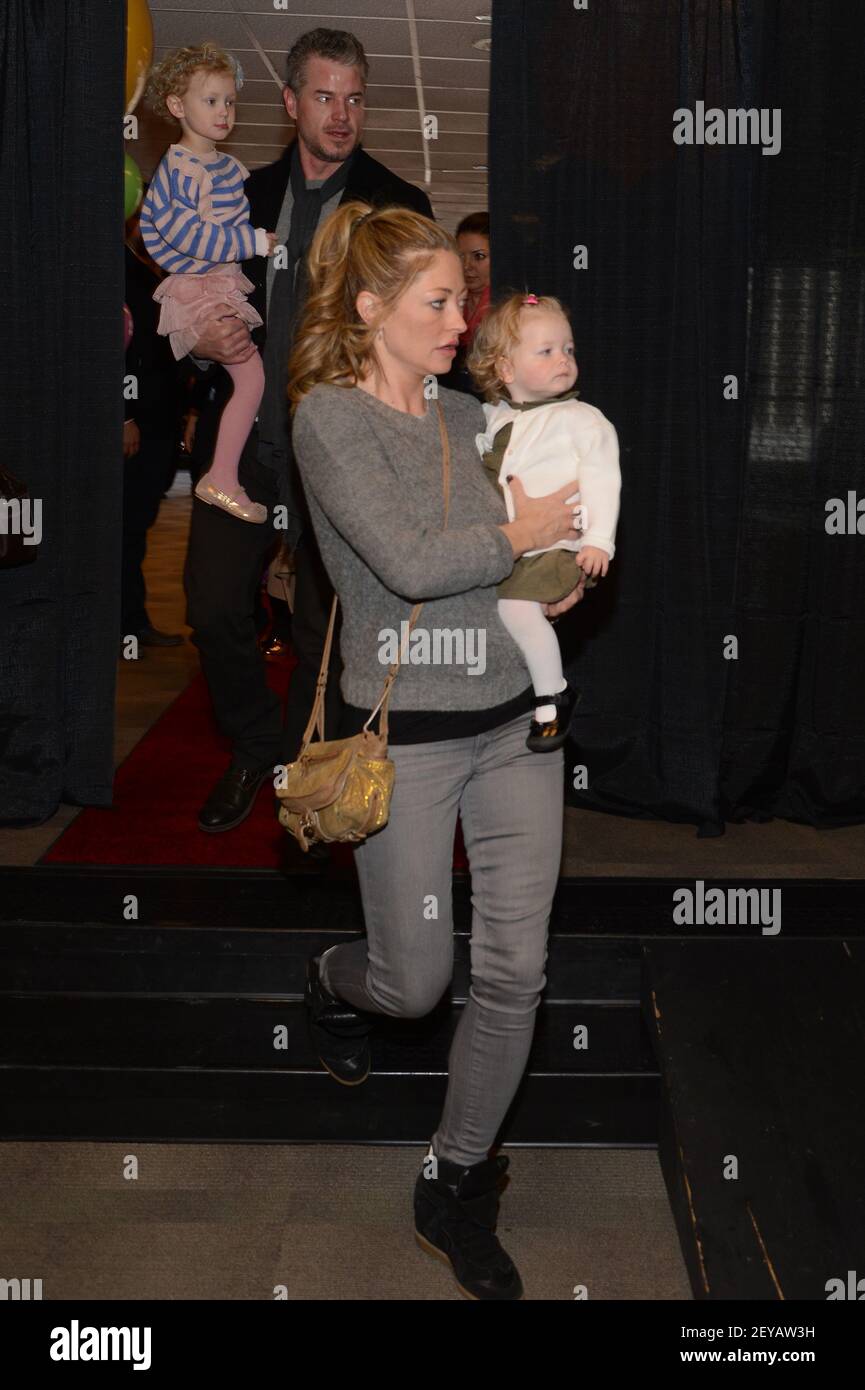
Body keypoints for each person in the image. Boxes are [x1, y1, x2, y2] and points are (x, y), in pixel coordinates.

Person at [287, 199, 589, 1301]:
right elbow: (414, 561)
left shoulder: (475, 413)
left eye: (463, 299)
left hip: (514, 724)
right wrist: (522, 533)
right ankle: (332, 980)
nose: (463, 315)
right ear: (370, 309)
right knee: (414, 982)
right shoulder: (330, 421)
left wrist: (567, 555)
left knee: (514, 969)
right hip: (405, 739)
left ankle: (454, 1178)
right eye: (439, 301)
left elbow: (524, 550)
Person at [182, 28, 433, 834]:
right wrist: (200, 341)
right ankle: (255, 743)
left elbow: (420, 339)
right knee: (213, 604)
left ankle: (300, 773)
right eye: (324, 96)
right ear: (290, 103)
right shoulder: (236, 197)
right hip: (246, 449)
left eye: (354, 97)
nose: (341, 114)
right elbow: (185, 305)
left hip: (342, 458)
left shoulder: (401, 207)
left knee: (323, 631)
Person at [469, 292, 621, 749]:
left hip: (557, 548)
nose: (564, 360)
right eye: (547, 351)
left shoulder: (582, 420)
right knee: (505, 615)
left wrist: (598, 540)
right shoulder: (492, 419)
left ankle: (553, 695)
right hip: (510, 548)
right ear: (505, 370)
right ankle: (522, 695)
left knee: (516, 610)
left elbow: (602, 479)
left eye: (568, 349)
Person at [140, 42, 277, 525]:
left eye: (229, 101)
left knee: (251, 380)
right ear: (178, 107)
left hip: (218, 281)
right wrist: (255, 242)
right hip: (200, 285)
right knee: (252, 378)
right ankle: (222, 476)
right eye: (210, 100)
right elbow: (185, 233)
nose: (224, 112)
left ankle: (224, 474)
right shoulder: (180, 168)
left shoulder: (225, 165)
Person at [122, 208, 185, 649]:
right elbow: (118, 345)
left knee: (140, 523)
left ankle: (133, 619)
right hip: (137, 420)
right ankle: (126, 625)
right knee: (127, 526)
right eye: (150, 223)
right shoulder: (118, 269)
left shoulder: (158, 270)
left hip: (163, 418)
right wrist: (123, 415)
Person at [437, 211, 491, 398]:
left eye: (479, 256)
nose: (467, 266)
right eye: (461, 256)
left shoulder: (508, 311)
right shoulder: (443, 302)